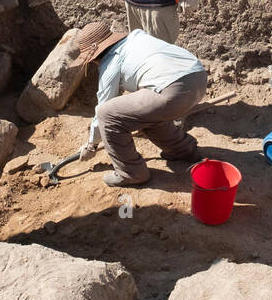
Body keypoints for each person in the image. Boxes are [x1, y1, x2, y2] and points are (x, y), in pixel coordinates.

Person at [72, 20, 207, 187]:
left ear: (95, 57)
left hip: (173, 91)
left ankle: (131, 173)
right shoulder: (136, 37)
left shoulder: (111, 61)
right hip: (198, 78)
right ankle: (182, 150)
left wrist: (91, 144)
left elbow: (103, 106)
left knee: (106, 114)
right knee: (139, 112)